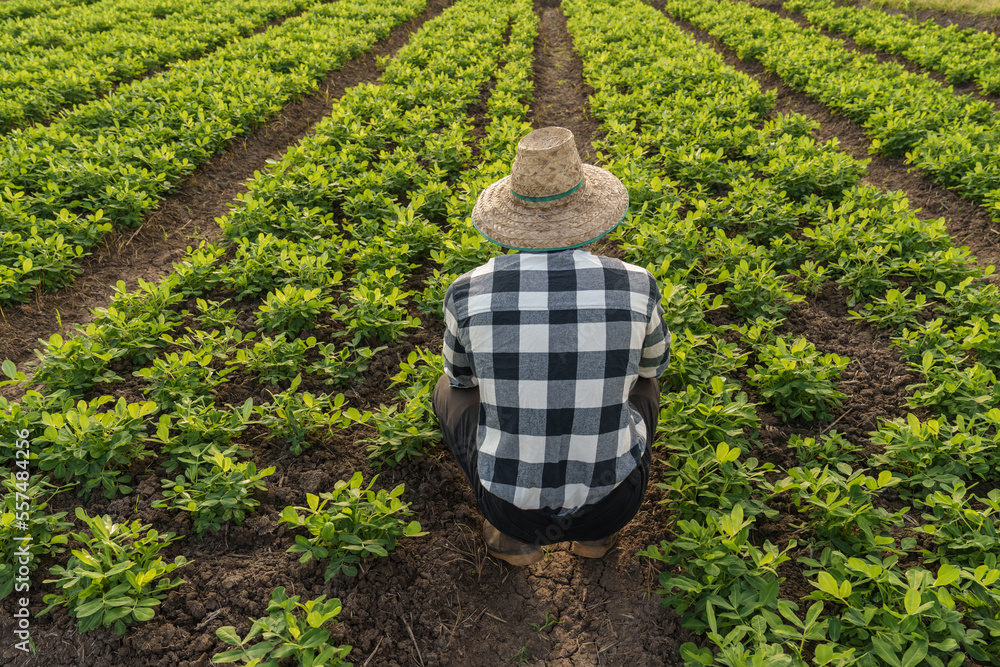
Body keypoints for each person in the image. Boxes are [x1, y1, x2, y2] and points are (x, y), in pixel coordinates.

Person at [432, 126, 671, 566]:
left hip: (512, 508)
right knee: (646, 385)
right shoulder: (636, 283)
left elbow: (460, 377)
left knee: (448, 391)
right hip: (613, 503)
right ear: (591, 213)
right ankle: (595, 539)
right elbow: (654, 366)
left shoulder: (467, 291)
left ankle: (513, 541)